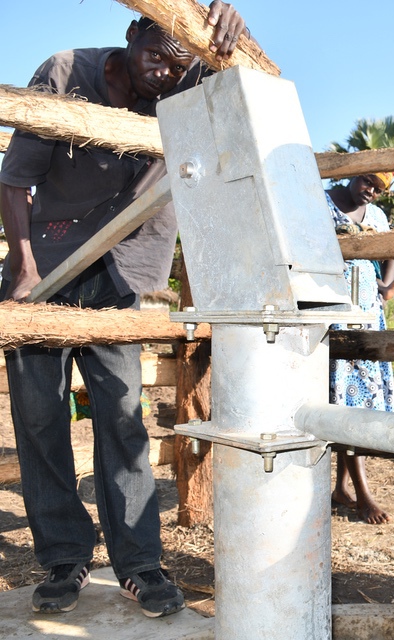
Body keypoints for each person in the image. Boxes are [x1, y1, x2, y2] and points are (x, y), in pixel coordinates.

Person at [0, 2, 247, 618]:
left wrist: (229, 43)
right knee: (38, 421)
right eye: (154, 54)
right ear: (131, 30)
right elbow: (14, 181)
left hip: (119, 271)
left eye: (178, 63)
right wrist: (25, 270)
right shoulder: (64, 73)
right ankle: (64, 556)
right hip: (45, 269)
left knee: (123, 417)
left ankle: (139, 563)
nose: (164, 72)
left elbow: (237, 87)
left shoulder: (189, 78)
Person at [326, 172, 394, 525]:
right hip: (333, 313)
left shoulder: (377, 217)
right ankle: (363, 495)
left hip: (367, 315)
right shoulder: (322, 202)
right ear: (354, 174)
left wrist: (385, 287)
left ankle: (343, 488)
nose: (371, 190)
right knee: (346, 401)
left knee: (359, 400)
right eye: (368, 181)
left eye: (379, 188)